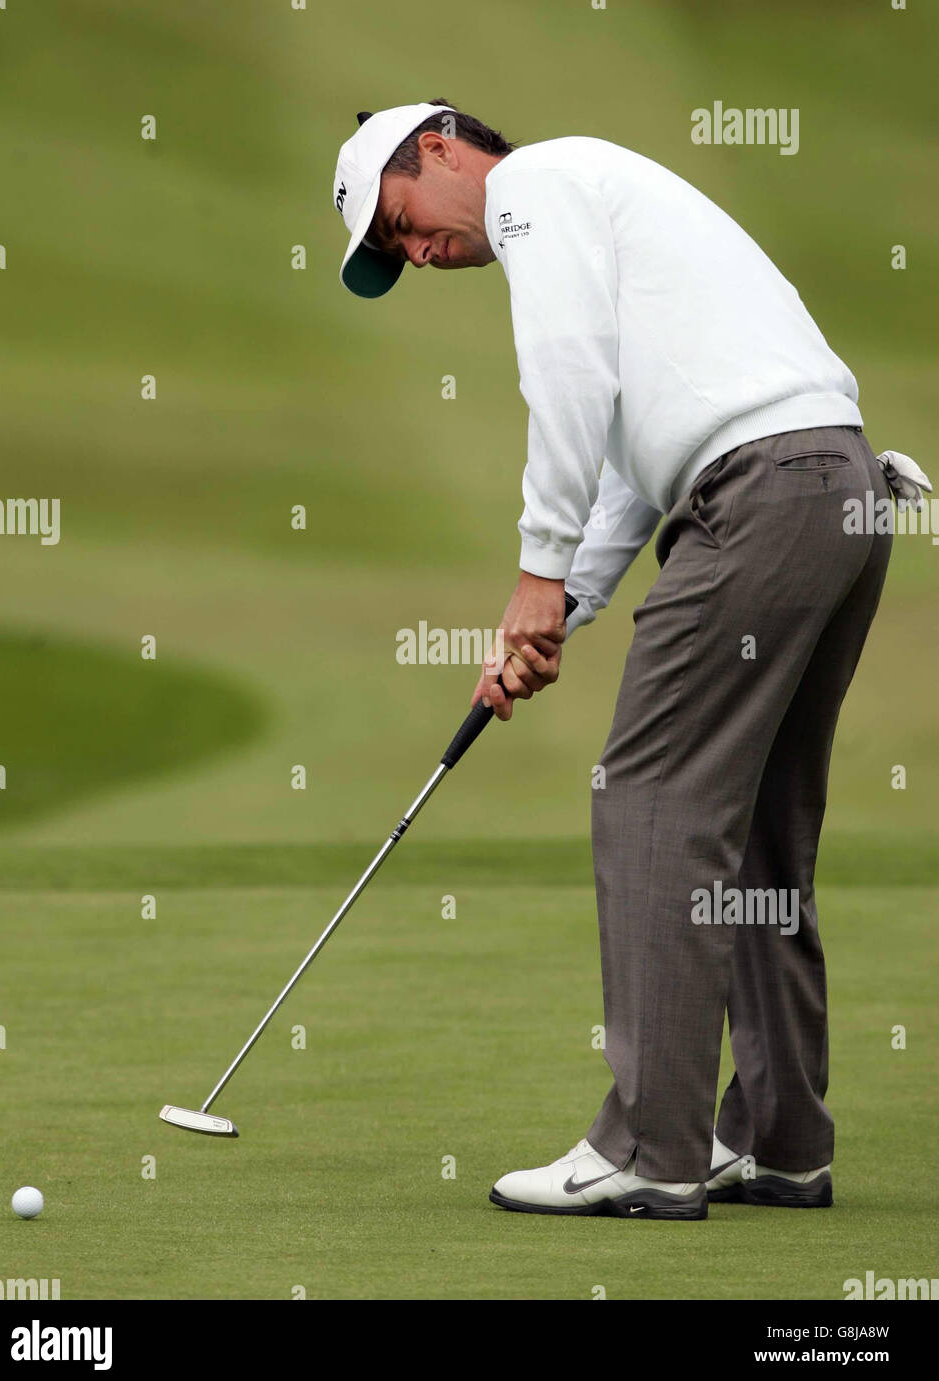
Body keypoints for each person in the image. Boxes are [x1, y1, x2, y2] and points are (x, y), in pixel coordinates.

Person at [332, 101, 930, 1219]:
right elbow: (634, 459)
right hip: (836, 491)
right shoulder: (602, 198)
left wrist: (535, 570)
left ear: (445, 149)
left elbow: (564, 379)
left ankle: (654, 1148)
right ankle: (780, 1140)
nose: (414, 252)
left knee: (650, 796)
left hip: (756, 498)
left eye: (398, 220)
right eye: (392, 255)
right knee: (755, 829)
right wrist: (558, 611)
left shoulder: (537, 189)